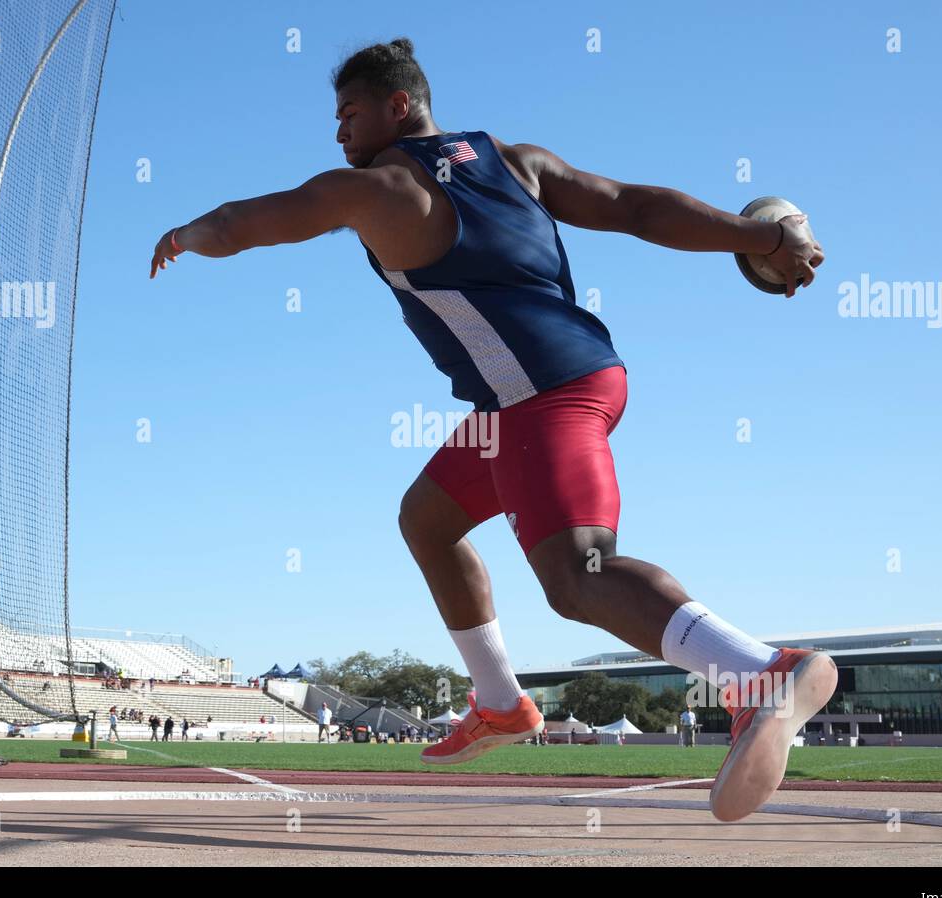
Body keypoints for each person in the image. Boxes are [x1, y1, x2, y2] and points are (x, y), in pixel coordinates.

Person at [148, 38, 830, 823]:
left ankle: (759, 673)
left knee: (578, 576)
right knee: (426, 519)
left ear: (398, 106)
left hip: (544, 396)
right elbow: (637, 207)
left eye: (350, 112)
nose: (339, 132)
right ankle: (501, 702)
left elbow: (247, 222)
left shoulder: (380, 189)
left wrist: (187, 233)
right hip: (536, 397)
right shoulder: (515, 160)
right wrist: (761, 240)